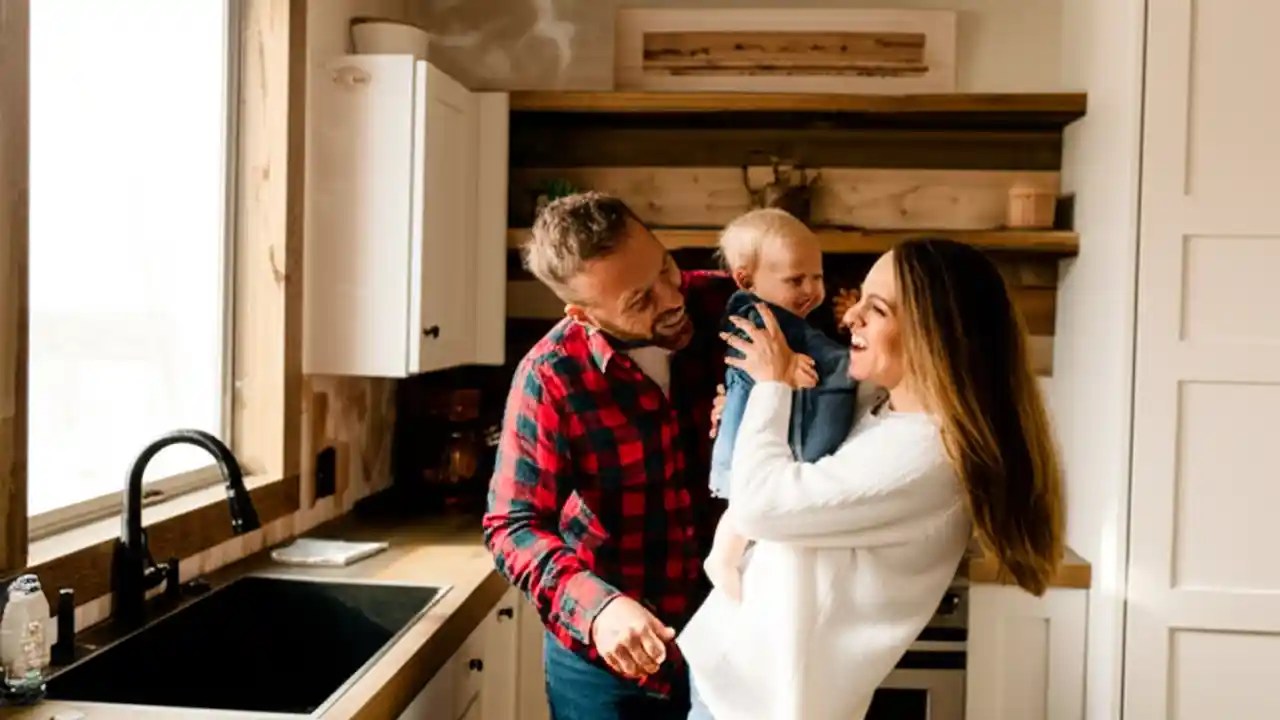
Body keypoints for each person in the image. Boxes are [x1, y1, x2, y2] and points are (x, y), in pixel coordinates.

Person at [679, 237, 1065, 720]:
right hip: (735, 681)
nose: (850, 316)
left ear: (932, 334)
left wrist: (770, 390)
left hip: (766, 708)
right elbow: (791, 468)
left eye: (876, 308)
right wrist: (751, 414)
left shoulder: (928, 455)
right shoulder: (882, 407)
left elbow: (760, 505)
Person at [482, 192, 743, 719]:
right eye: (639, 301)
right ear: (582, 314)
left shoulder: (725, 305)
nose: (672, 298)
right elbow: (513, 526)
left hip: (734, 636)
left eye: (667, 268)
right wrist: (598, 610)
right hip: (608, 666)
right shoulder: (551, 377)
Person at [704, 208, 857, 602]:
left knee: (752, 506)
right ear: (745, 279)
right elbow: (760, 355)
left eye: (817, 277)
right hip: (747, 433)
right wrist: (786, 366)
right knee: (746, 502)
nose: (811, 289)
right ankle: (721, 558)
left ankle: (731, 557)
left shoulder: (787, 316)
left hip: (769, 428)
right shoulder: (751, 311)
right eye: (795, 279)